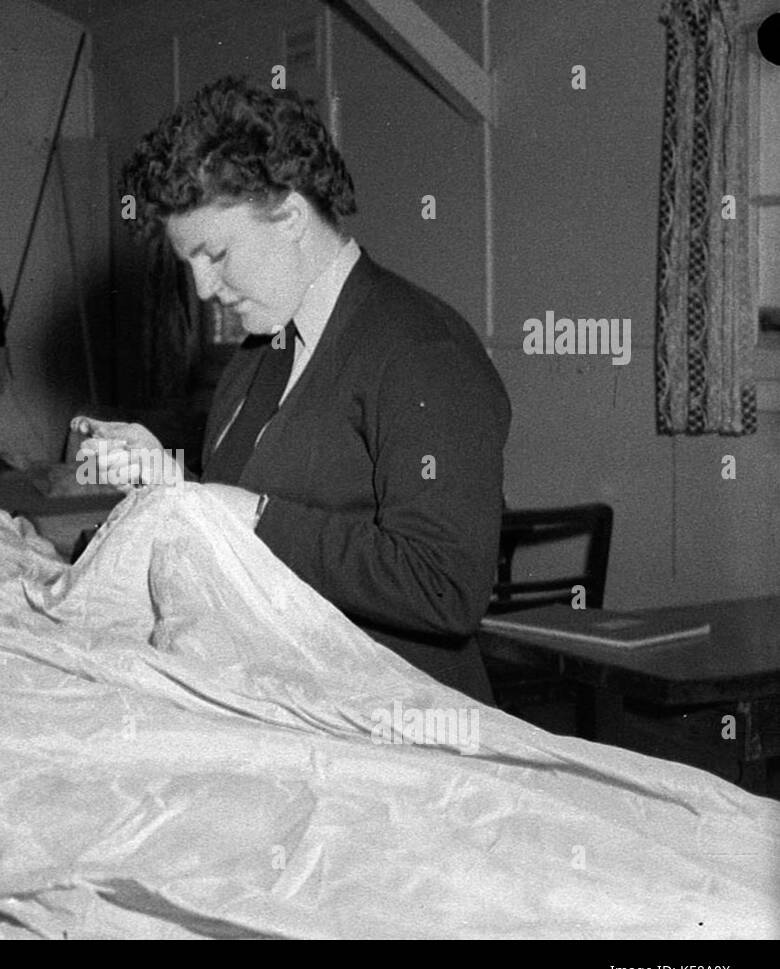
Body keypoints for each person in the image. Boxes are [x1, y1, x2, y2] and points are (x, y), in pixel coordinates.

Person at [77, 76, 511, 705]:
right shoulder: (260, 356)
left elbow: (444, 587)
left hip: (399, 719)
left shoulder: (421, 352)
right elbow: (263, 508)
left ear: (290, 216)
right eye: (189, 264)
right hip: (283, 697)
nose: (202, 289)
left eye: (216, 254)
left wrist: (247, 516)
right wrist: (174, 483)